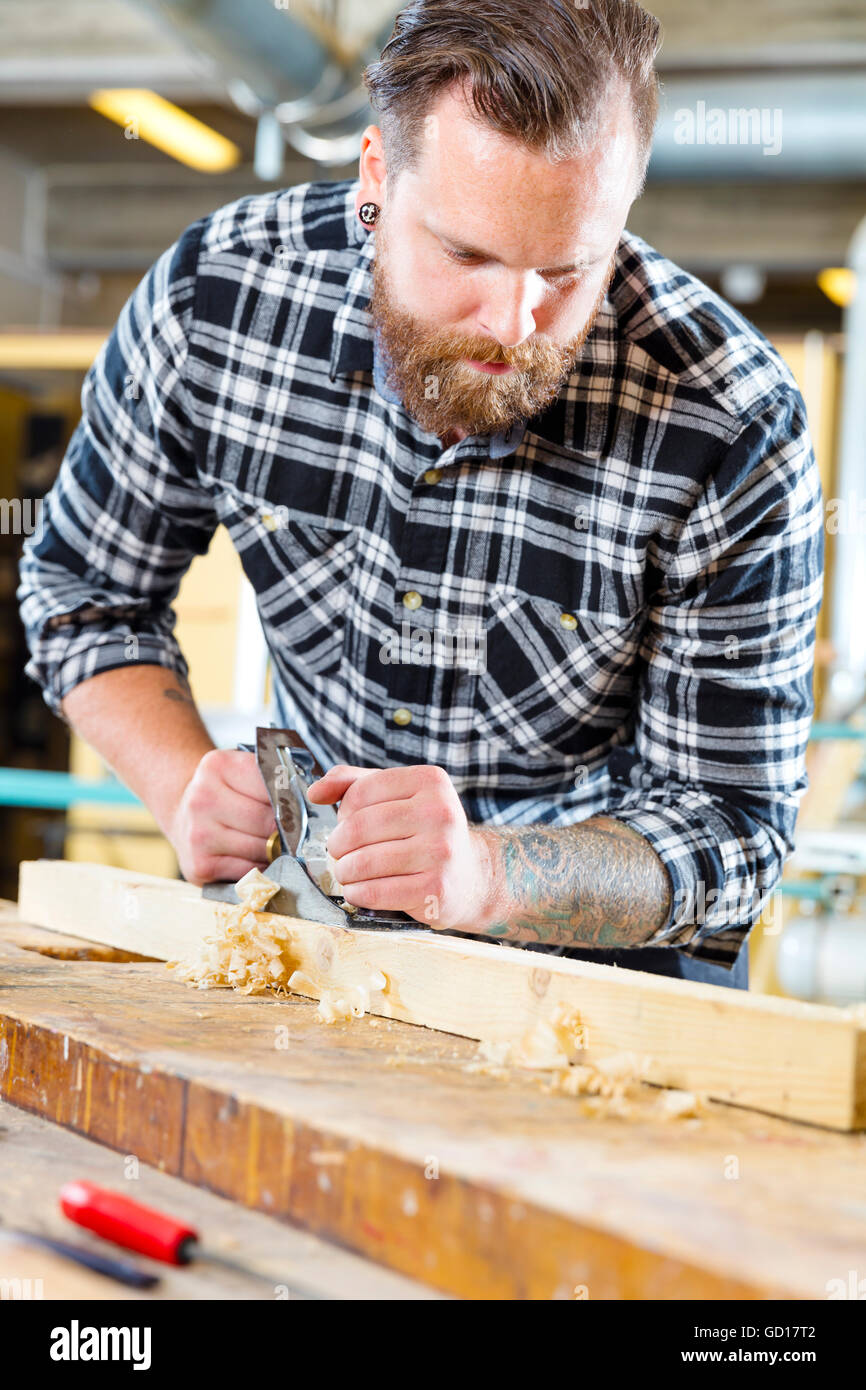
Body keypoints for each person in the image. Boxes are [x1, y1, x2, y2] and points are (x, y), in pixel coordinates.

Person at [18, 0, 824, 988]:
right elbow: (82, 593)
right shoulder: (218, 300)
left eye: (566, 269)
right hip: (315, 939)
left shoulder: (729, 423)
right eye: (467, 256)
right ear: (373, 180)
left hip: (600, 986)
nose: (513, 324)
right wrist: (183, 782)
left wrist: (486, 877)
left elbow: (729, 830)